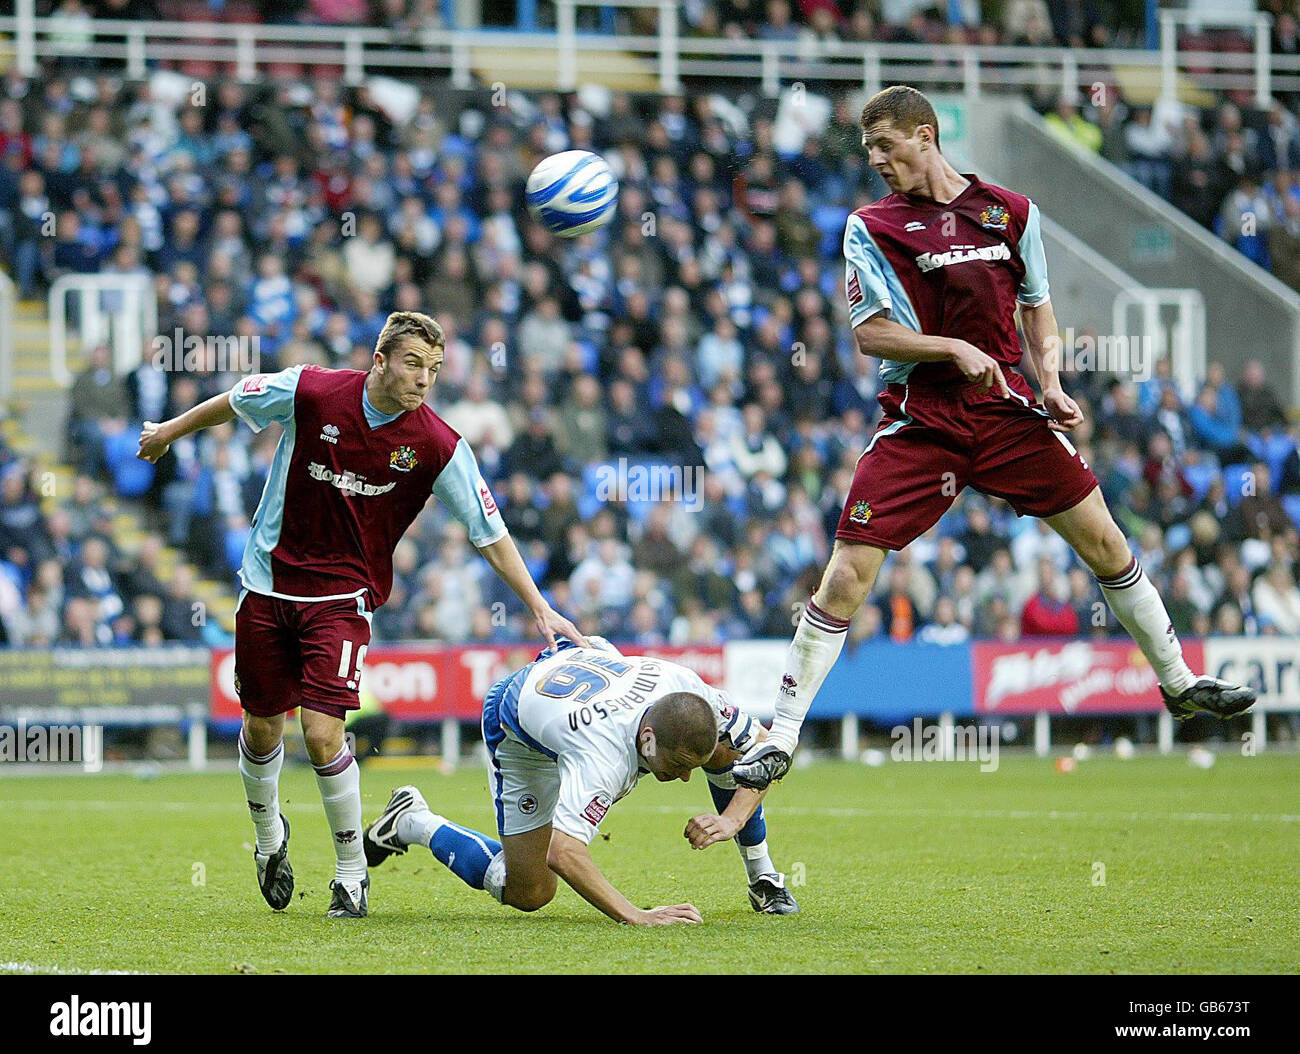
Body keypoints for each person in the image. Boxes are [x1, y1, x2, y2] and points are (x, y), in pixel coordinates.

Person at [732, 86, 1256, 790]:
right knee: (849, 571)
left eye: (886, 145)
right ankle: (783, 732)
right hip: (923, 418)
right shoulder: (872, 225)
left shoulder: (1010, 213)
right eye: (869, 151)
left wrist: (1053, 381)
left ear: (926, 135)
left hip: (1006, 411)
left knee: (1105, 539)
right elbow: (869, 334)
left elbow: (1038, 308)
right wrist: (949, 347)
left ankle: (1178, 680)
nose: (878, 160)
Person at [136, 311, 587, 918]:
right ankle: (270, 839)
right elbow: (232, 400)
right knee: (263, 727)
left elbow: (489, 531)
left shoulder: (437, 445)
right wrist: (168, 430)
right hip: (268, 584)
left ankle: (351, 874)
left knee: (322, 734)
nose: (424, 380)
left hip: (343, 599)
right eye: (412, 364)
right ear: (378, 361)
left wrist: (539, 605)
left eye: (434, 369)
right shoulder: (312, 390)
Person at [362, 637, 799, 923]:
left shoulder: (690, 689)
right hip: (519, 728)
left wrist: (733, 820)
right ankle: (413, 820)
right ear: (646, 741)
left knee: (727, 750)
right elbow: (563, 850)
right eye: (677, 765)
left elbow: (767, 750)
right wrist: (636, 915)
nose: (686, 778)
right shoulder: (603, 756)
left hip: (581, 674)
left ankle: (763, 876)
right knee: (530, 892)